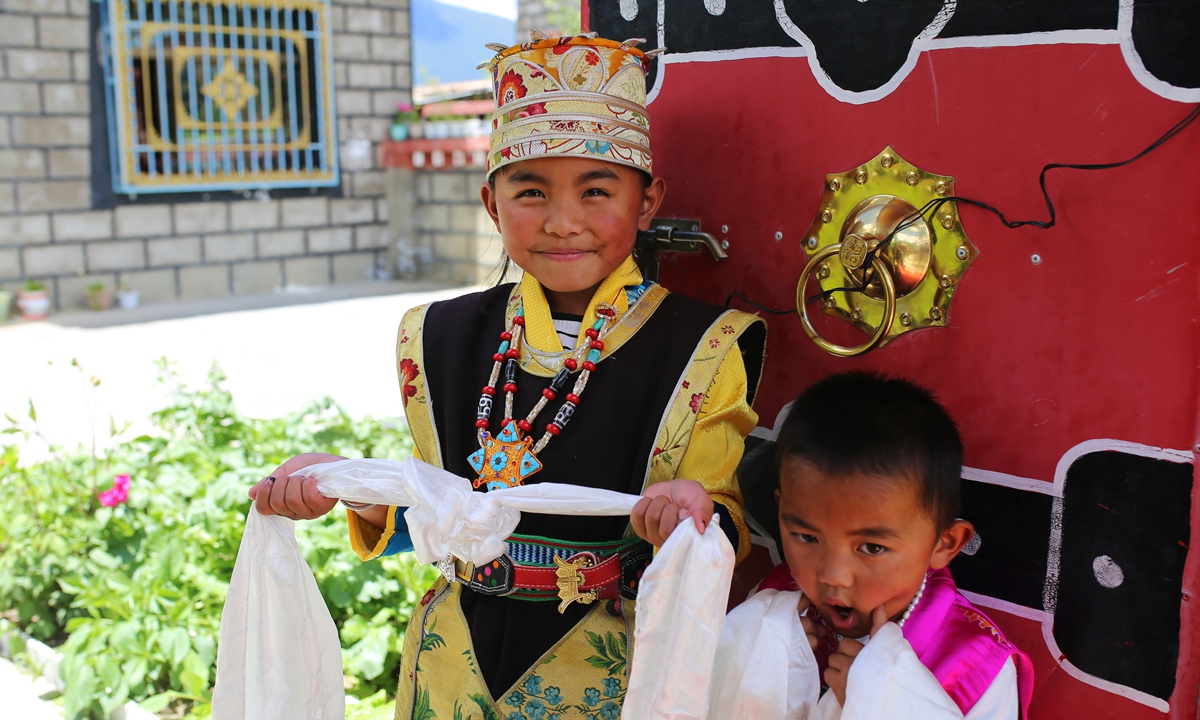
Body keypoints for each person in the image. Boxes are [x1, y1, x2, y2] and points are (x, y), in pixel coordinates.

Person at [248, 31, 767, 719]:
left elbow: (725, 523)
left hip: (616, 665)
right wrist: (350, 486)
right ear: (492, 204)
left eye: (595, 190)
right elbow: (436, 514)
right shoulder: (439, 335)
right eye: (530, 191)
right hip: (453, 660)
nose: (562, 221)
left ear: (646, 203)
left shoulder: (703, 346)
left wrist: (695, 514)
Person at [724, 371, 1033, 719]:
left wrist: (887, 706)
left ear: (944, 543)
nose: (834, 576)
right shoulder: (773, 608)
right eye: (807, 537)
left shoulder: (975, 667)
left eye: (871, 547)